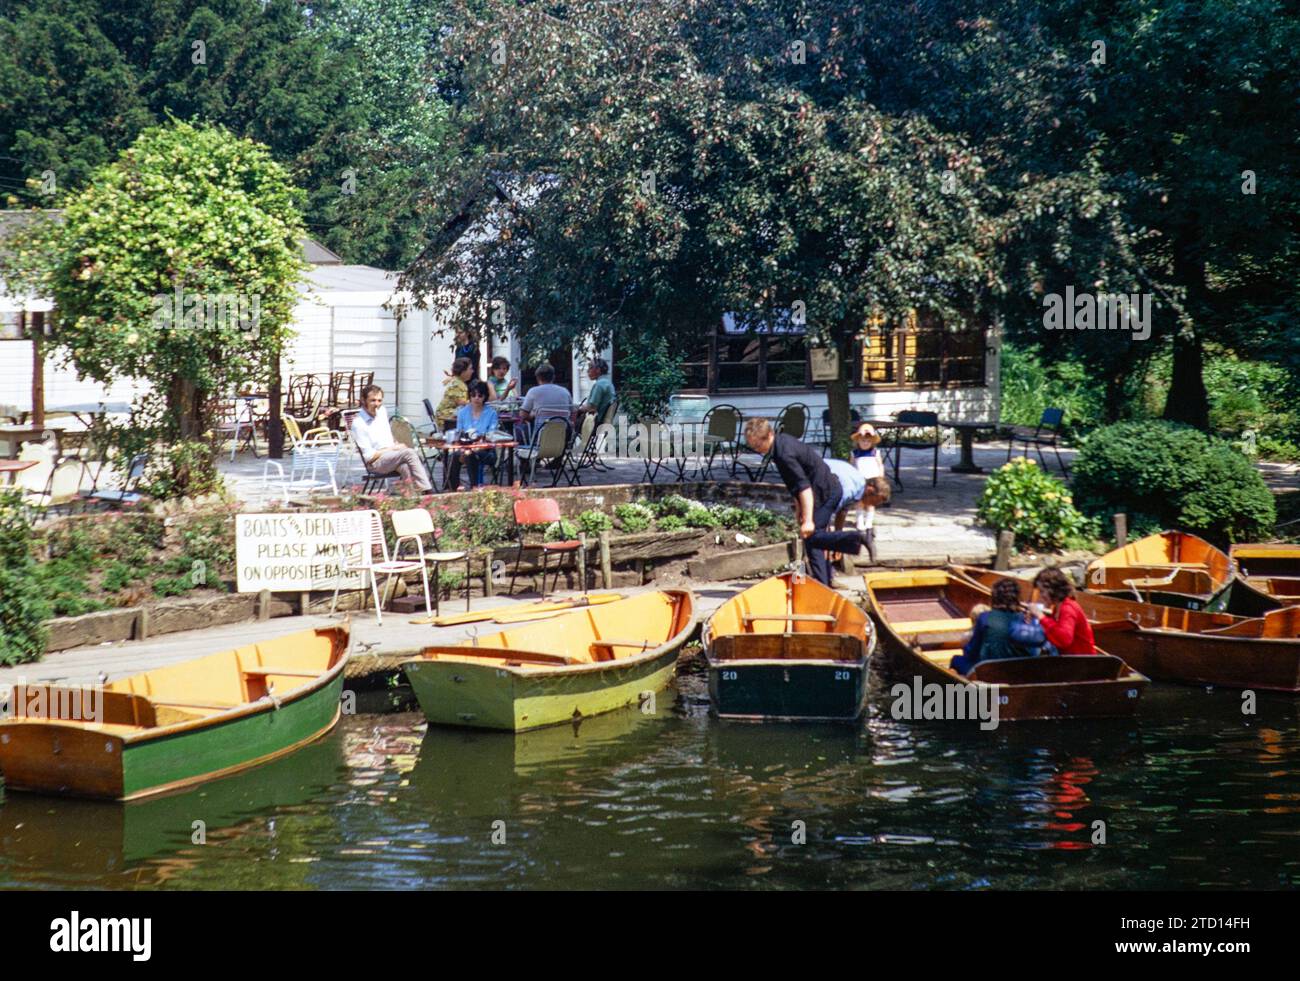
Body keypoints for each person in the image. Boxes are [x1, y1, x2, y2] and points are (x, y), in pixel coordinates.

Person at [742, 416, 869, 587]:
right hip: (822, 490)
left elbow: (804, 487)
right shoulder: (781, 443)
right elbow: (796, 484)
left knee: (811, 536)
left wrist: (808, 520)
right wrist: (798, 510)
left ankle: (852, 543)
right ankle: (827, 580)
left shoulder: (784, 454)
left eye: (758, 445)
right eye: (753, 446)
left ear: (769, 435)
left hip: (825, 492)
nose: (758, 450)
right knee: (812, 538)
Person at [949, 579, 1045, 675]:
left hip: (989, 672)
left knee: (956, 660)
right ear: (1017, 599)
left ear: (994, 597)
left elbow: (972, 652)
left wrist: (964, 646)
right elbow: (1033, 653)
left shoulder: (984, 618)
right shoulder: (1025, 620)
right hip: (1019, 672)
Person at [350, 385, 432, 491]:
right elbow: (369, 457)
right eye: (372, 401)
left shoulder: (382, 411)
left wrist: (396, 444)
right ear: (363, 400)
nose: (377, 404)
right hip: (376, 463)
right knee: (409, 453)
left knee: (406, 467)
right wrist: (392, 449)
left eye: (379, 400)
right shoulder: (359, 423)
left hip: (392, 457)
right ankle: (428, 490)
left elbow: (387, 435)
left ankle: (411, 499)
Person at [447, 379, 500, 489]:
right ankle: (453, 488)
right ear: (469, 396)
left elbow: (491, 434)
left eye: (480, 395)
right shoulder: (462, 412)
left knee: (470, 455)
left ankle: (474, 488)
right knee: (452, 456)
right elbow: (459, 432)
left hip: (485, 449)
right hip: (465, 447)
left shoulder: (491, 413)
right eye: (473, 395)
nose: (476, 398)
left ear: (485, 397)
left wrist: (479, 441)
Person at [1031, 567, 1097, 655]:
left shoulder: (1068, 608)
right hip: (1071, 660)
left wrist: (1040, 616)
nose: (1041, 596)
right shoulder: (1057, 608)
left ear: (1053, 590)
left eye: (1042, 592)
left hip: (1083, 663)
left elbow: (1064, 639)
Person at [518, 362, 573, 444]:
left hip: (541, 438)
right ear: (553, 377)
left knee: (521, 427)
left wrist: (534, 414)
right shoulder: (565, 392)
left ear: (537, 378)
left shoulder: (533, 391)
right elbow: (572, 412)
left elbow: (523, 415)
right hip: (563, 438)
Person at [436, 358, 473, 430]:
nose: (472, 371)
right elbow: (461, 403)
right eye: (470, 369)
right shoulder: (457, 384)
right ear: (463, 371)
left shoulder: (457, 381)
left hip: (446, 415)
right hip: (446, 418)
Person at [575, 357, 616, 422]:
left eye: (590, 367)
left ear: (598, 370)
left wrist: (580, 409)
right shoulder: (608, 383)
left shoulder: (599, 385)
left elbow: (592, 408)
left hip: (595, 423)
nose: (588, 370)